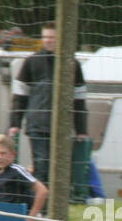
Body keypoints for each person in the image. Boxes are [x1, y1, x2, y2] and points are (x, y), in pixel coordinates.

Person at [8, 22, 89, 186]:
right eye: (45, 37)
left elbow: (79, 99)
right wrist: (15, 123)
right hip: (37, 126)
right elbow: (20, 95)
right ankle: (43, 208)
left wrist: (81, 129)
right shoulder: (32, 62)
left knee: (60, 168)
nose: (48, 40)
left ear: (61, 38)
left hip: (62, 127)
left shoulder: (72, 64)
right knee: (41, 166)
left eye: (51, 37)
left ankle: (56, 206)